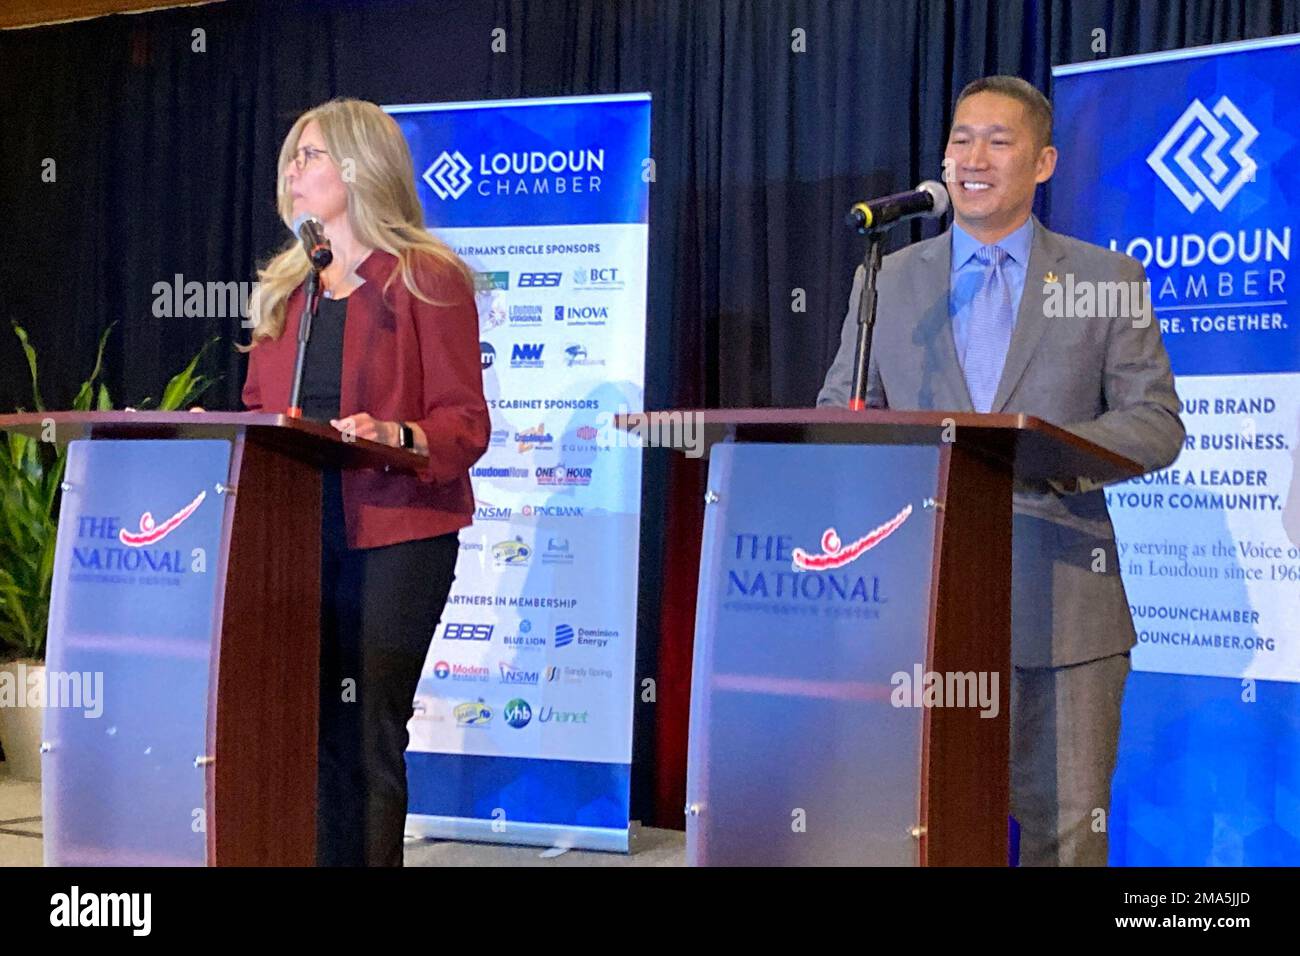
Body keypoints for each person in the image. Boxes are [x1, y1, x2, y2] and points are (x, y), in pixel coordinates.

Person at [818, 76, 1185, 865]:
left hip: (1063, 606)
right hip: (915, 609)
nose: (972, 158)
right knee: (915, 830)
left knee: (1064, 838)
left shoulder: (1106, 278)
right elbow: (841, 413)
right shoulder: (889, 276)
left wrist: (1050, 453)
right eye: (960, 139)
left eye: (998, 140)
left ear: (1043, 162)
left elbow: (1157, 422)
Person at [240, 98, 489, 866]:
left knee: (369, 729)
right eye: (290, 158)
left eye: (308, 155)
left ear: (359, 167)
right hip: (295, 536)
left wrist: (395, 434)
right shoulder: (289, 290)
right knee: (306, 722)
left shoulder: (426, 278)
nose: (292, 170)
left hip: (395, 531)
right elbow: (258, 412)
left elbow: (463, 422)